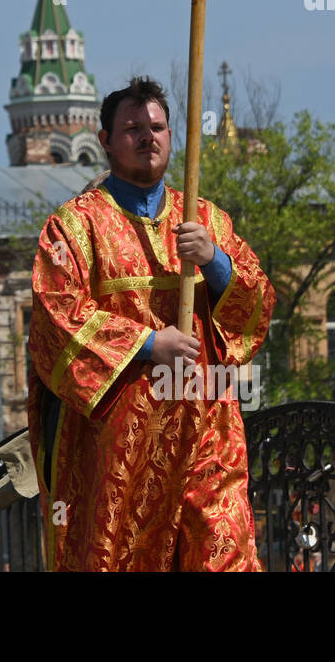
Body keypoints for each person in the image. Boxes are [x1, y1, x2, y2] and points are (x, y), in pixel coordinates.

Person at [27, 77, 275, 571]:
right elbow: (56, 320)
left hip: (208, 429)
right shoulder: (76, 226)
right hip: (120, 446)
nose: (148, 137)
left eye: (158, 127)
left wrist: (215, 261)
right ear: (105, 140)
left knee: (222, 553)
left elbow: (259, 305)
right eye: (133, 128)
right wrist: (147, 342)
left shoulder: (205, 219)